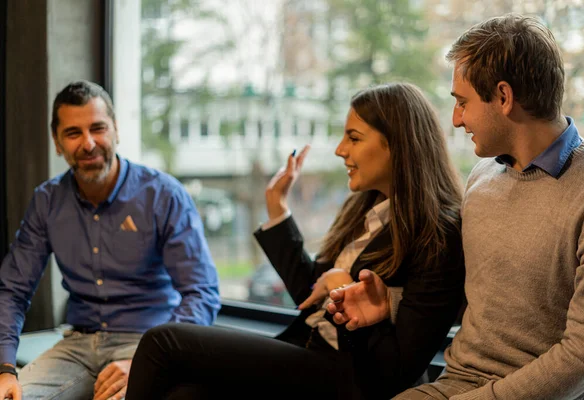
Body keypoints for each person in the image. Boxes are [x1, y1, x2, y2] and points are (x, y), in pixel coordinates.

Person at [125, 82, 466, 400]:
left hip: (351, 375)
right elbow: (309, 293)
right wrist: (278, 212)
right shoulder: (368, 210)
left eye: (354, 138)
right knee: (183, 394)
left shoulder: (438, 235)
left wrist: (350, 296)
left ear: (396, 144)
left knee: (163, 341)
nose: (339, 149)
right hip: (310, 350)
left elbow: (396, 371)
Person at [327, 13, 584, 400]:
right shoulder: (482, 178)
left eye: (462, 102)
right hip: (457, 385)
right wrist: (390, 303)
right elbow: (486, 303)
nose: (456, 120)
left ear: (503, 98)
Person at [0, 80, 221, 400]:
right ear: (57, 142)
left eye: (98, 128)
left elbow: (202, 293)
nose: (88, 143)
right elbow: (12, 290)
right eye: (73, 133)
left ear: (116, 130)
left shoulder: (163, 195)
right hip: (76, 346)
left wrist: (149, 360)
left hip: (149, 342)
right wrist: (5, 367)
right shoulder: (47, 201)